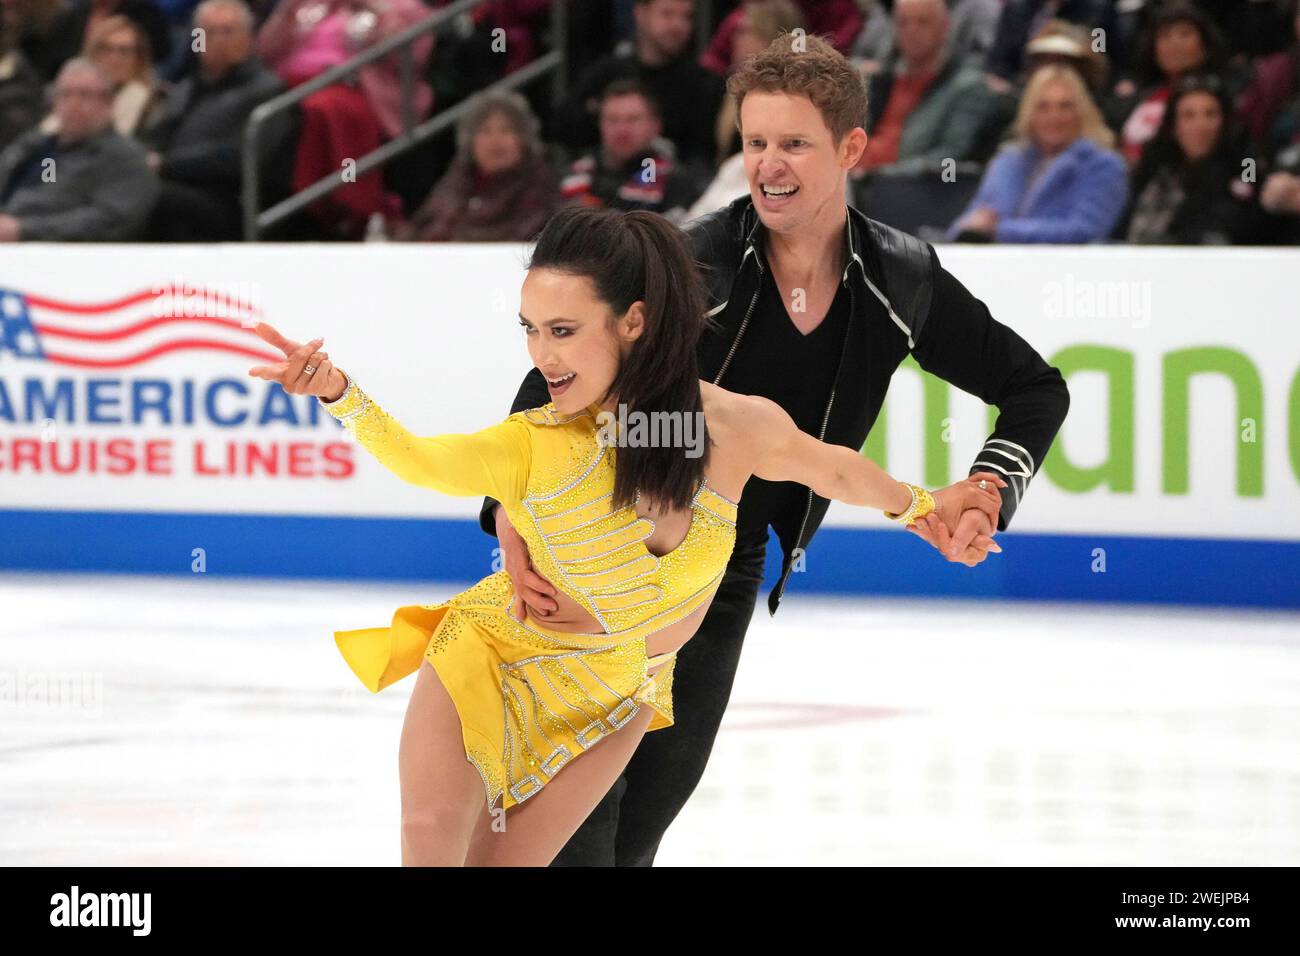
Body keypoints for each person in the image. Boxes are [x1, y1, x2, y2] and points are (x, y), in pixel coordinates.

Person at [247, 205, 1006, 866]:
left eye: (565, 330)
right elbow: (422, 460)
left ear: (633, 321)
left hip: (615, 694)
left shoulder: (731, 427)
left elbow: (833, 469)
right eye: (532, 330)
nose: (543, 354)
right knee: (430, 836)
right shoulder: (535, 440)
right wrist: (340, 395)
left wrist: (923, 508)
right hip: (498, 656)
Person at [481, 33, 1072, 867]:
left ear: (852, 147)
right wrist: (508, 514)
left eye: (793, 142)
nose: (768, 164)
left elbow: (1037, 388)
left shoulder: (900, 280)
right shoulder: (688, 264)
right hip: (599, 558)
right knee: (576, 831)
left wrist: (987, 486)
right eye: (755, 142)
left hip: (724, 573)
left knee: (639, 829)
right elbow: (553, 379)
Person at [947, 63, 1127, 242]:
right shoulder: (1007, 161)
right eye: (1043, 107)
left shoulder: (1104, 165)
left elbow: (1085, 230)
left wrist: (1000, 231)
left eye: (1065, 106)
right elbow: (972, 221)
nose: (1054, 117)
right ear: (1029, 113)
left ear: (1081, 112)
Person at [0, 57, 159, 240]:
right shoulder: (31, 147)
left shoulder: (126, 159)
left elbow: (110, 219)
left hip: (64, 255)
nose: (73, 104)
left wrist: (24, 229)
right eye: (65, 94)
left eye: (85, 95)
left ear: (108, 103)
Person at [1114, 72, 1260, 245]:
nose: (1201, 125)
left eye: (1211, 114)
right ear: (1174, 126)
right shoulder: (1154, 167)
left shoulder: (1245, 164)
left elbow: (1239, 219)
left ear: (1225, 122)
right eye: (1189, 115)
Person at [396, 89, 559, 243]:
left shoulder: (537, 183)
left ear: (523, 139)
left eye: (507, 130)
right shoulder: (456, 179)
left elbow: (526, 235)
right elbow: (420, 227)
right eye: (485, 131)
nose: (495, 141)